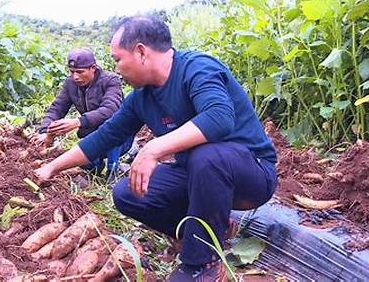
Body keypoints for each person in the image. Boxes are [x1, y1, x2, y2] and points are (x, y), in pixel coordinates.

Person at [35, 16, 277, 281]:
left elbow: (219, 117)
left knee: (206, 156)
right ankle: (209, 231)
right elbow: (104, 137)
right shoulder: (142, 97)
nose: (116, 69)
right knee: (128, 192)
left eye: (117, 59)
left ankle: (202, 264)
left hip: (252, 174)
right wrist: (51, 167)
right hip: (199, 175)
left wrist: (153, 149)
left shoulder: (197, 68)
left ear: (140, 51)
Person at [30, 47, 133, 176]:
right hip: (91, 134)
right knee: (89, 167)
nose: (75, 77)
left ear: (93, 68)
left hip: (119, 136)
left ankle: (113, 172)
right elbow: (57, 108)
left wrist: (78, 122)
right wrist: (45, 131)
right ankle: (96, 166)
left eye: (80, 72)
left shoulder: (110, 80)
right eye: (72, 72)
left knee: (112, 135)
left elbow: (110, 109)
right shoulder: (70, 84)